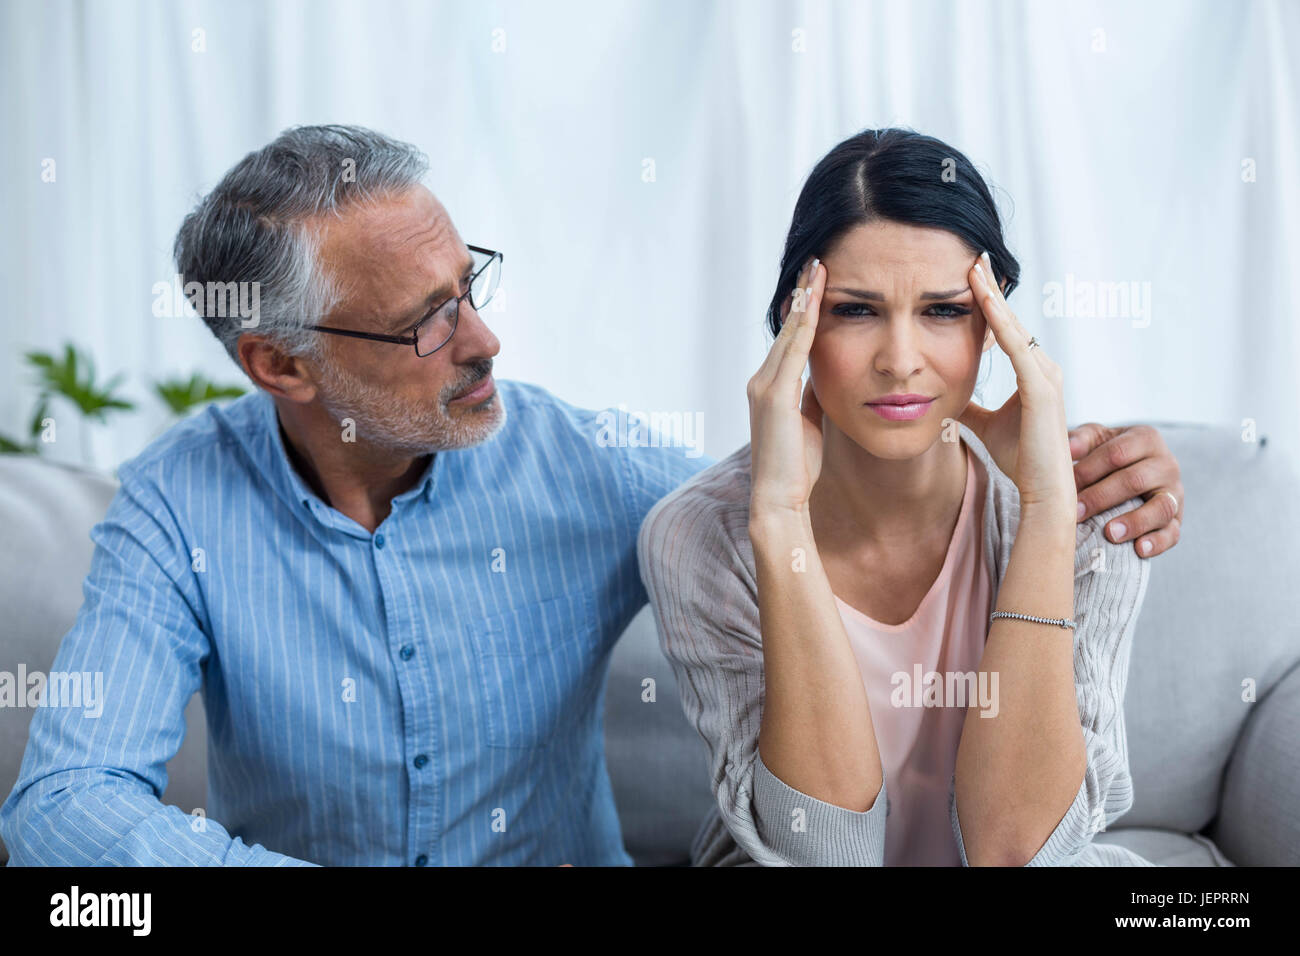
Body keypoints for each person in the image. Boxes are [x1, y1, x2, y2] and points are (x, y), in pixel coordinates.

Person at [2, 125, 1181, 866]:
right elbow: (60, 814)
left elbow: (785, 511)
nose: (486, 338)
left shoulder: (591, 465)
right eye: (426, 320)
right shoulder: (176, 508)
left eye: (470, 284)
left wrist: (1079, 468)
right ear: (281, 364)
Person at [637, 127, 1175, 866]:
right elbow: (823, 853)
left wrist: (1049, 513)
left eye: (944, 311)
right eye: (855, 310)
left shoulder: (1090, 509)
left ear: (995, 324)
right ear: (796, 319)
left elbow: (1019, 851)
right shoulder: (698, 535)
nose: (899, 361)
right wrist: (780, 521)